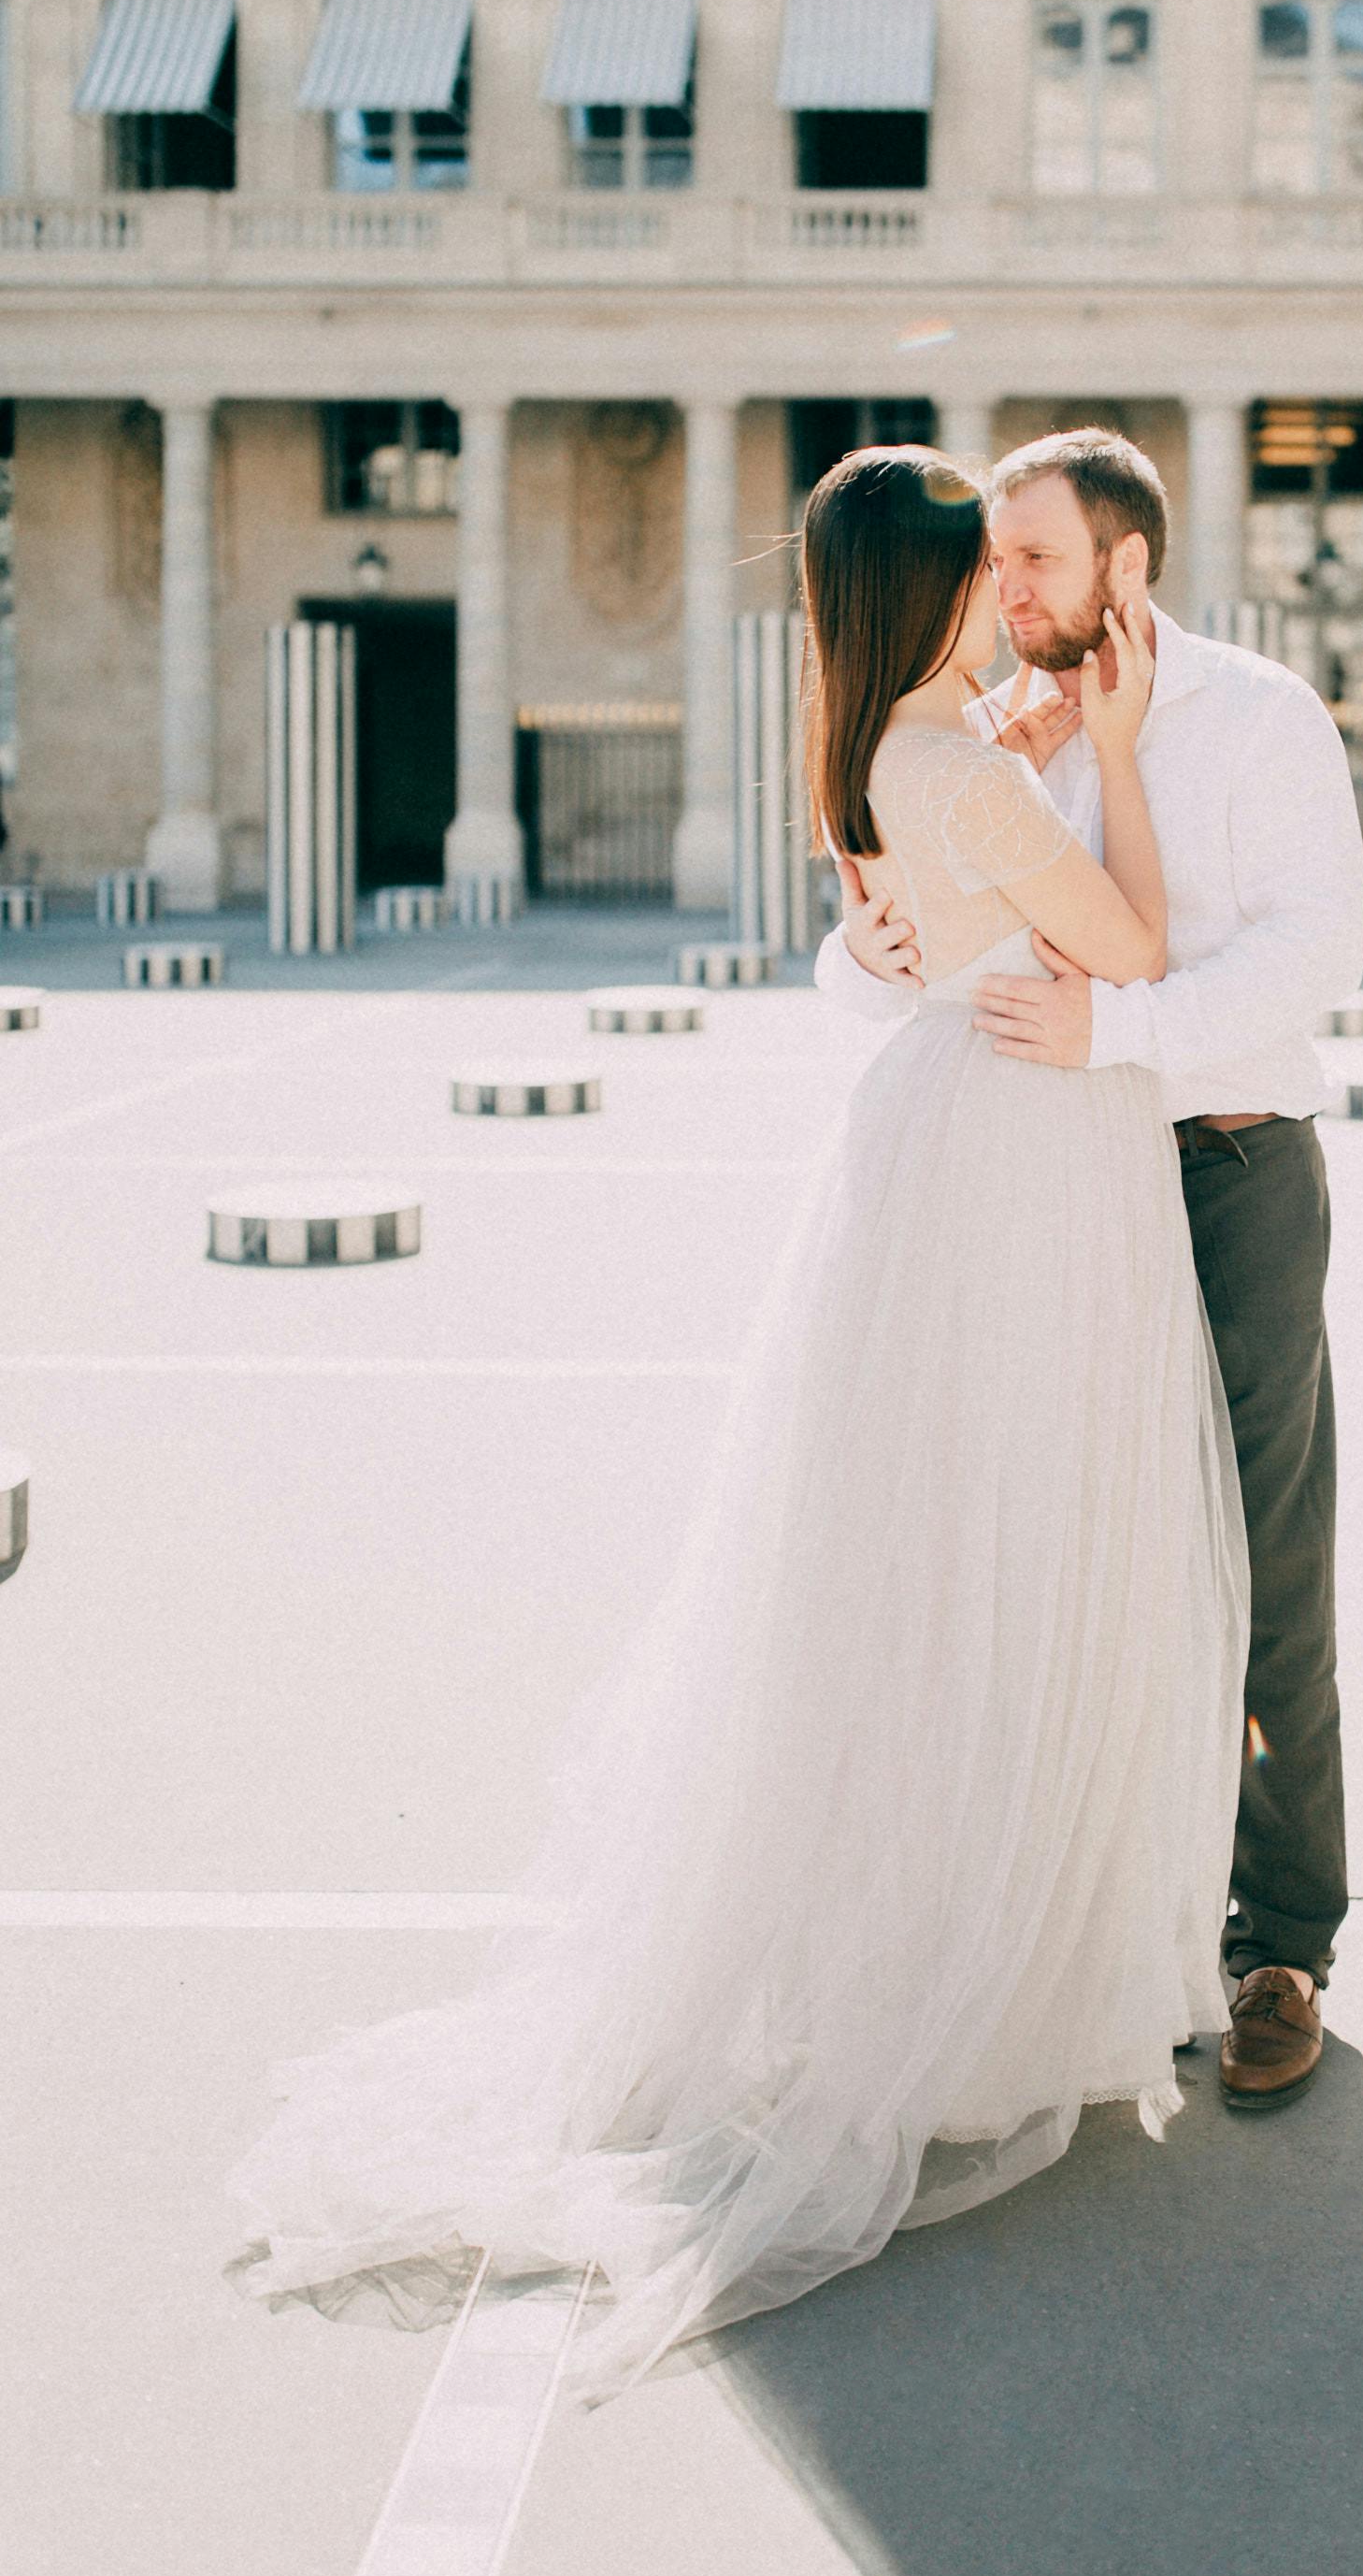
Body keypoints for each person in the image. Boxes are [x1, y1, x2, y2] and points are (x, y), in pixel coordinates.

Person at [222, 449, 1250, 2407]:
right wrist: (1104, 749)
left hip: (985, 1147)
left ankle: (980, 1963)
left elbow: (954, 907)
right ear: (933, 593)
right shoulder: (956, 765)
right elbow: (1130, 946)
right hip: (1017, 1167)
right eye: (979, 571)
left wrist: (1036, 731)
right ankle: (980, 1987)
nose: (1005, 599)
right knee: (1008, 1550)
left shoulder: (922, 746)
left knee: (961, 1557)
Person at [817, 427, 1363, 2110]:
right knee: (1084, 1565)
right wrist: (859, 946)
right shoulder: (999, 731)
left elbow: (1312, 960)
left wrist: (1116, 1029)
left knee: (1268, 1566)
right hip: (1062, 1198)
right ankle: (1119, 1921)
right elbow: (910, 967)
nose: (1007, 583)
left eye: (1036, 557)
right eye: (994, 554)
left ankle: (1278, 1941)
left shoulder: (1263, 717)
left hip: (1229, 1168)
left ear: (1126, 565)